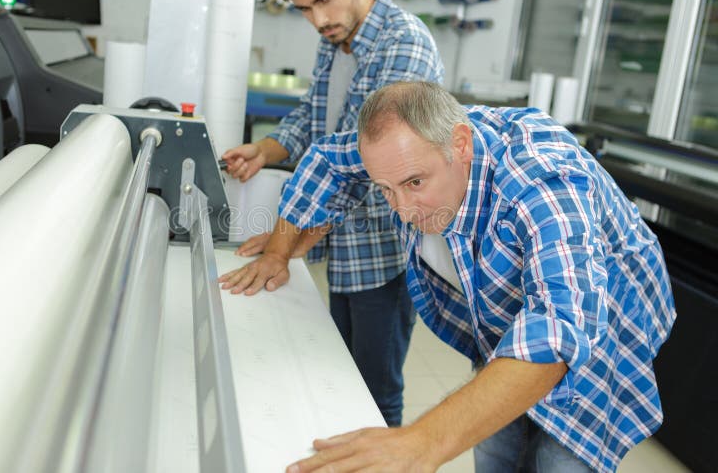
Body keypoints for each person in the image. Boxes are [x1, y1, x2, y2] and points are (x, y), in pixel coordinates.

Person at [221, 81, 676, 473]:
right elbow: (327, 160)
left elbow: (559, 329)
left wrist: (422, 442)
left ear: (461, 145)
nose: (402, 210)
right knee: (497, 446)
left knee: (559, 457)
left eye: (415, 184)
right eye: (385, 190)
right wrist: (278, 252)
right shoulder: (409, 148)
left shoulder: (542, 181)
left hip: (602, 323)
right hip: (516, 316)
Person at [220, 0, 444, 427]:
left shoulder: (403, 45)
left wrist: (283, 245)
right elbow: (313, 114)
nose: (319, 20)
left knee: (376, 393)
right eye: (304, 9)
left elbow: (363, 162)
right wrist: (267, 149)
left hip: (383, 251)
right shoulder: (336, 39)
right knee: (344, 376)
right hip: (345, 246)